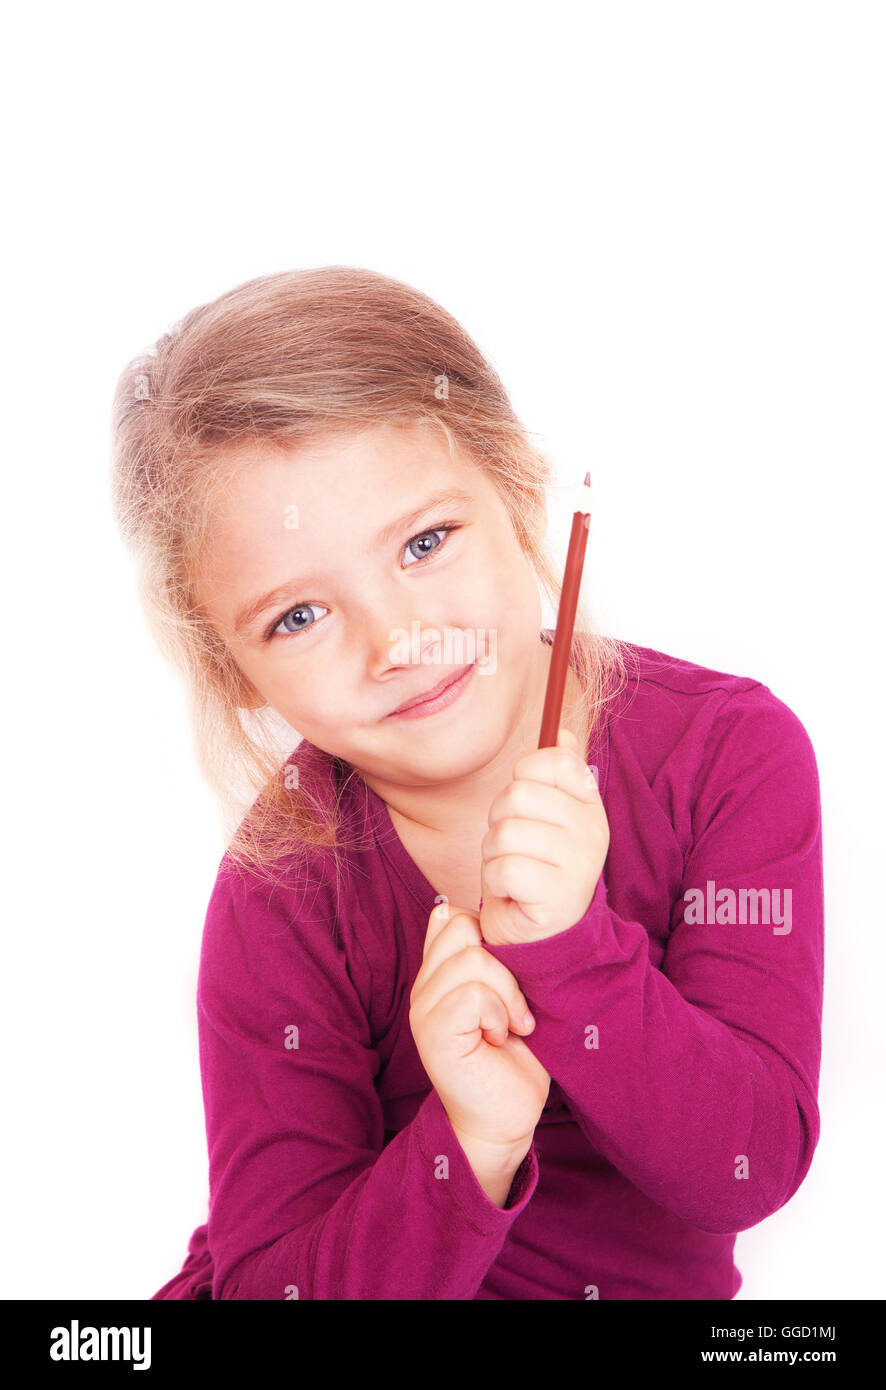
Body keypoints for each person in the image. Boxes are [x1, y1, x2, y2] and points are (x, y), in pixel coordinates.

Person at [110, 266, 823, 1300]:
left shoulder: (725, 756)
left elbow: (743, 1167)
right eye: (298, 617)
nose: (399, 641)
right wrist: (469, 1138)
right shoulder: (284, 893)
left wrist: (574, 957)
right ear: (235, 669)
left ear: (515, 484)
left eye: (425, 542)